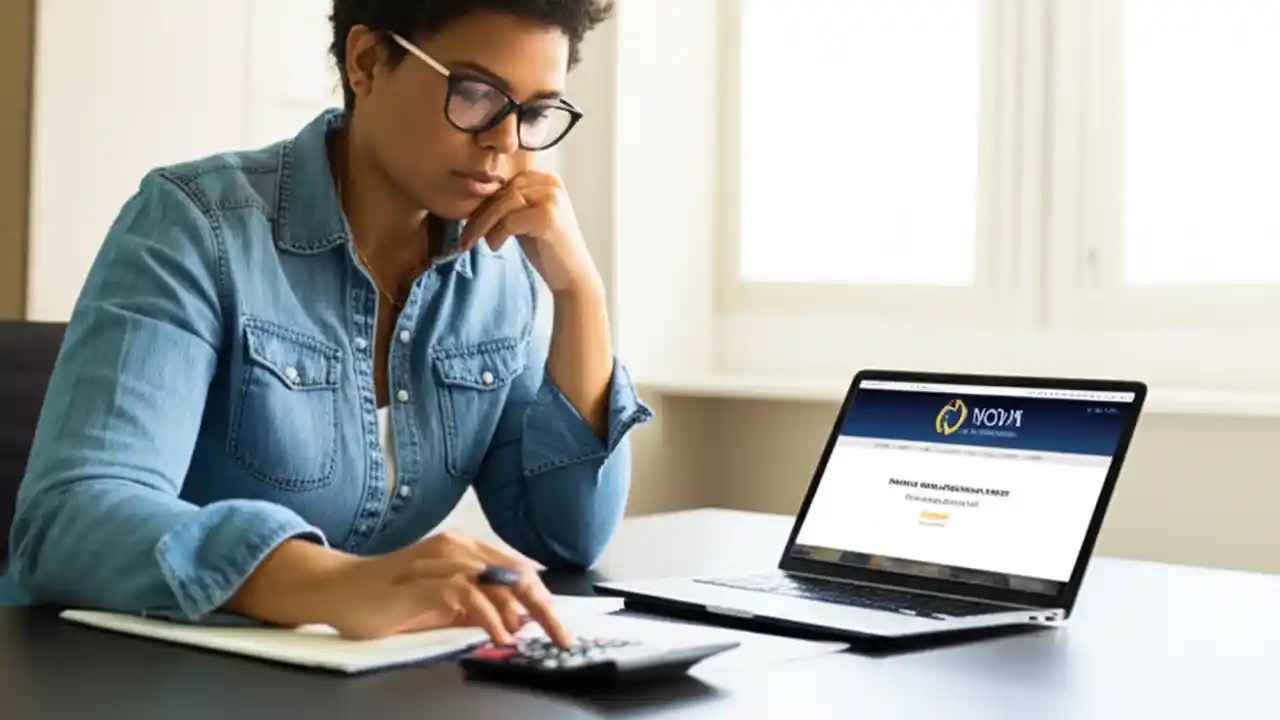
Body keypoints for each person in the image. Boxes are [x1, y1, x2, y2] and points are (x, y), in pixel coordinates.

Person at [2, 0, 649, 647]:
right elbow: (67, 520)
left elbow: (568, 533)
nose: (505, 145)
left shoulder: (499, 272)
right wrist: (333, 585)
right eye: (475, 94)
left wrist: (579, 292)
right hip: (103, 675)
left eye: (533, 113)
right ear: (366, 62)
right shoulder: (195, 227)